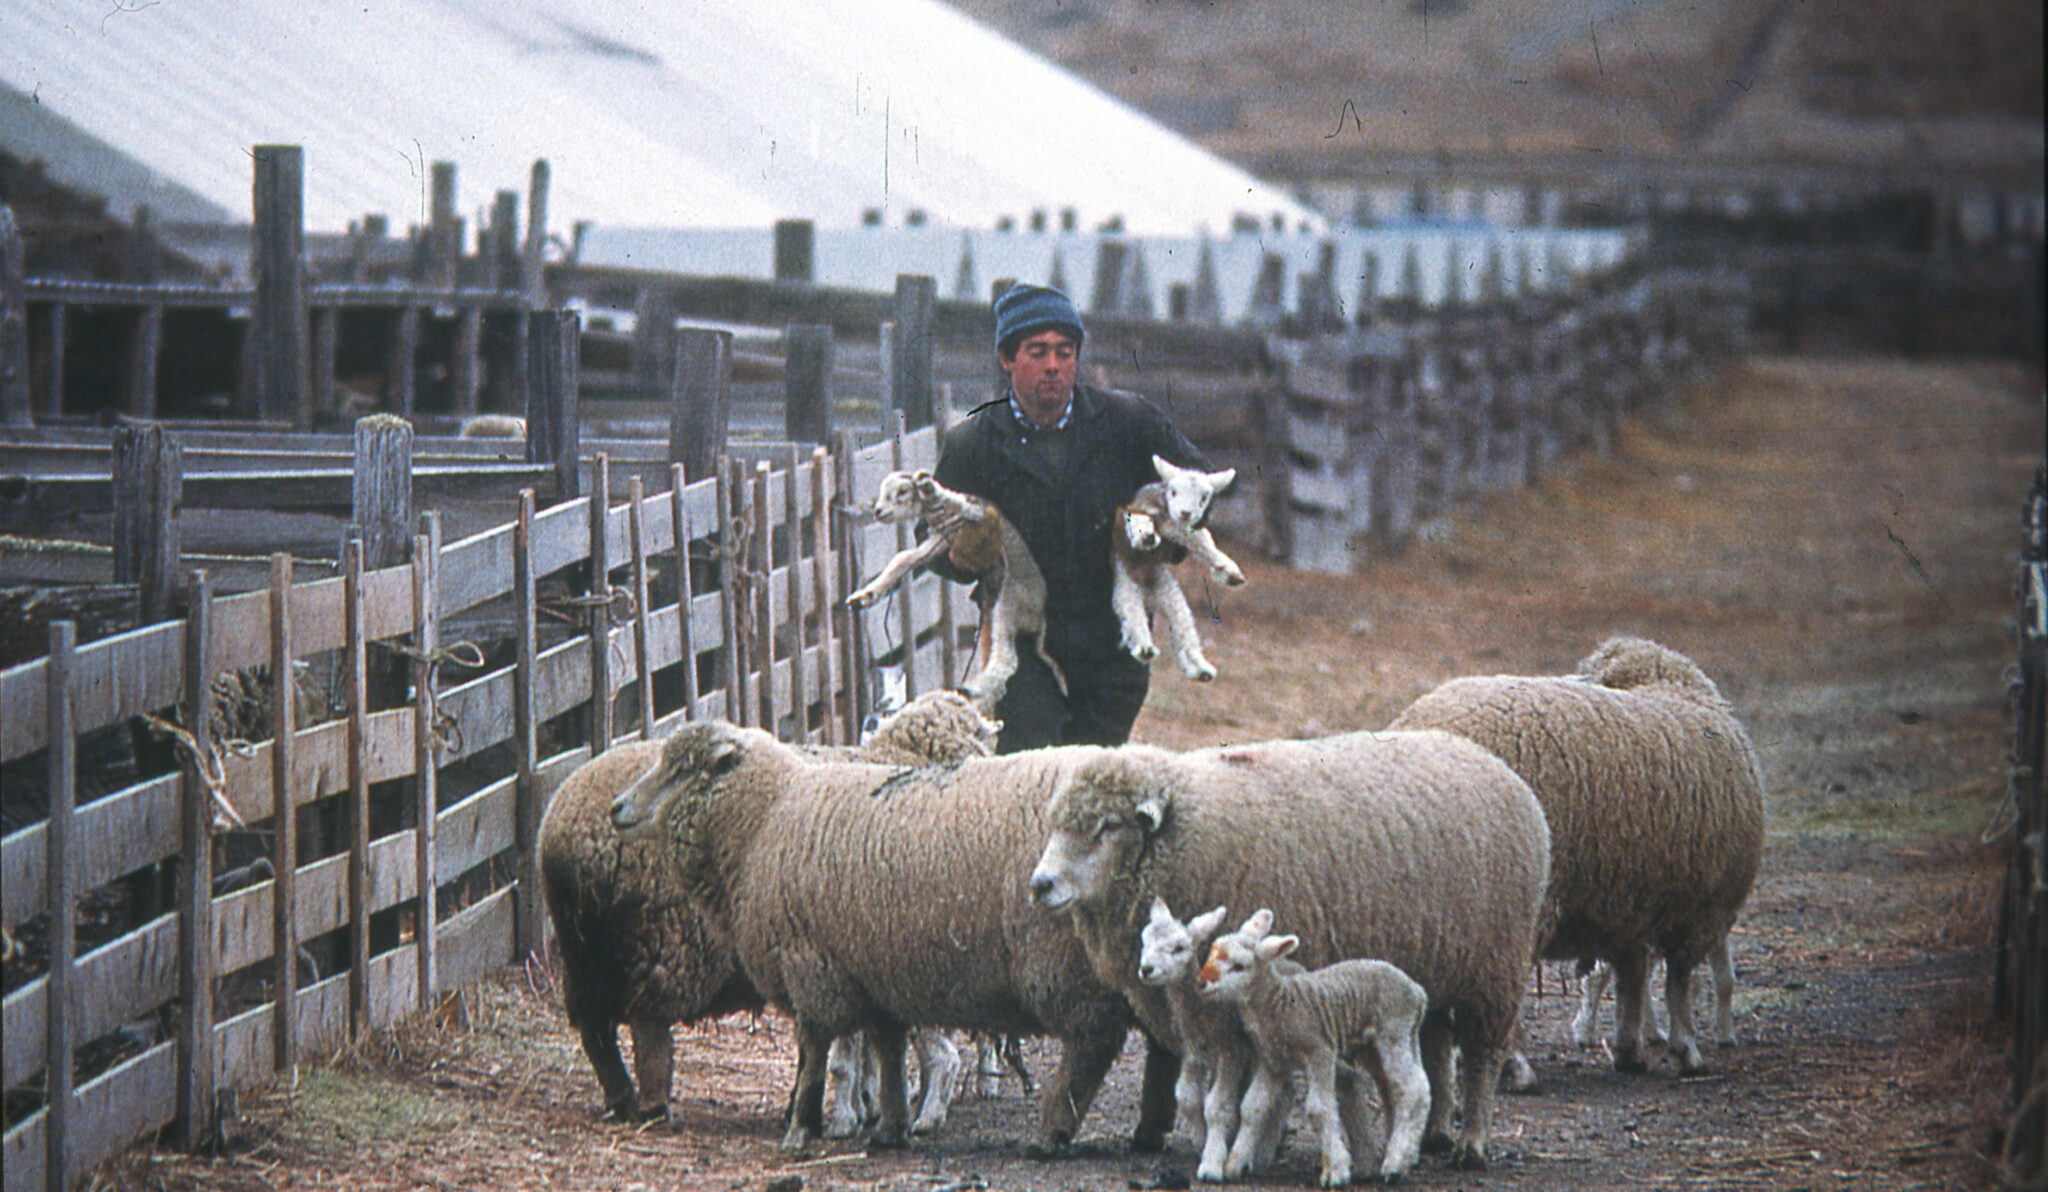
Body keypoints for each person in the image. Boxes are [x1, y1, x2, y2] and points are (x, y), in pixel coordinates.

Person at [930, 283, 1215, 753]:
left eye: (1065, 352)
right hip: (1026, 644)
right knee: (1033, 771)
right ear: (1006, 359)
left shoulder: (1128, 423)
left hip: (1114, 642)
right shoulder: (974, 444)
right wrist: (964, 555)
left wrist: (1159, 539)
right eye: (1036, 352)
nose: (1053, 366)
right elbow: (935, 544)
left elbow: (1203, 484)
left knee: (1095, 773)